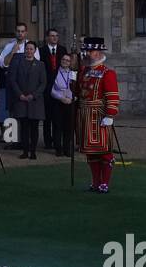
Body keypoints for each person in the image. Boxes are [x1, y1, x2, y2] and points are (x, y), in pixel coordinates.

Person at [76, 36, 121, 193]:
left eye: (91, 51)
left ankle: (105, 183)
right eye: (87, 50)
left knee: (104, 151)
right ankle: (95, 182)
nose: (88, 54)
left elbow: (113, 95)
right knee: (91, 152)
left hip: (99, 115)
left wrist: (110, 114)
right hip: (85, 115)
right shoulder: (84, 71)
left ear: (99, 52)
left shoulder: (107, 73)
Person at [8, 40, 46, 159]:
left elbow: (43, 83)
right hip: (21, 100)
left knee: (34, 128)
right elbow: (13, 80)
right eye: (27, 49)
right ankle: (25, 151)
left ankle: (33, 151)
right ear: (24, 50)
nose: (29, 51)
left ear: (35, 51)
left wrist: (33, 95)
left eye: (31, 49)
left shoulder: (40, 65)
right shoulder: (18, 64)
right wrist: (20, 95)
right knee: (24, 127)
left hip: (35, 101)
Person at [0, 23, 29, 144]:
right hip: (11, 84)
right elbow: (3, 64)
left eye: (22, 31)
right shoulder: (9, 46)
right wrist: (13, 52)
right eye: (18, 31)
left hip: (25, 85)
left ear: (26, 33)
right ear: (15, 32)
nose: (20, 33)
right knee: (11, 112)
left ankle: (24, 140)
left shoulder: (30, 47)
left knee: (24, 113)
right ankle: (11, 140)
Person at [39, 28, 63, 152]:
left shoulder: (62, 50)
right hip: (46, 88)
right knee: (47, 117)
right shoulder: (41, 51)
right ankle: (48, 141)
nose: (54, 38)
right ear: (47, 37)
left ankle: (57, 140)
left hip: (59, 88)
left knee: (57, 117)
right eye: (52, 36)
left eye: (56, 36)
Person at [49, 51, 77, 157]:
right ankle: (58, 149)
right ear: (60, 61)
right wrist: (61, 98)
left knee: (68, 127)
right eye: (63, 60)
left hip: (70, 103)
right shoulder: (54, 73)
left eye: (67, 60)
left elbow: (76, 89)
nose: (65, 61)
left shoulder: (73, 74)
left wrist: (72, 98)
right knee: (57, 126)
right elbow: (51, 90)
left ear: (70, 63)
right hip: (58, 102)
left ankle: (67, 148)